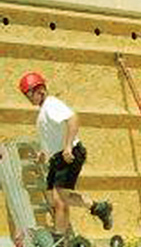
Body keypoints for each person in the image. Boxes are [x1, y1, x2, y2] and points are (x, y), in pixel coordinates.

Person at [17, 72, 113, 238]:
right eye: (27, 96)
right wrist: (44, 153)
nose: (29, 99)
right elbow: (52, 135)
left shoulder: (52, 104)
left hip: (70, 153)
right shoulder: (44, 110)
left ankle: (60, 237)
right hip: (57, 157)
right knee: (54, 198)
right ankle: (99, 208)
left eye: (29, 94)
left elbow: (73, 119)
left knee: (60, 198)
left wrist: (68, 146)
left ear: (40, 90)